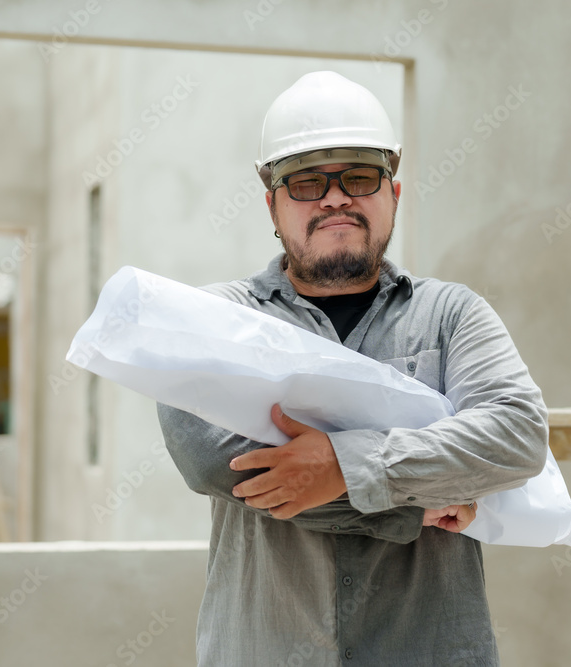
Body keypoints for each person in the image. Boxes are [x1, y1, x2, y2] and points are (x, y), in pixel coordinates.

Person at [156, 71, 548, 666]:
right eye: (307, 181)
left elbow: (516, 437)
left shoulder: (452, 315)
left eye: (360, 176)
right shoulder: (216, 319)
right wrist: (422, 498)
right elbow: (217, 463)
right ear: (272, 205)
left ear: (394, 192)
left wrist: (345, 466)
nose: (335, 197)